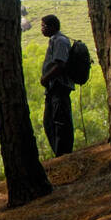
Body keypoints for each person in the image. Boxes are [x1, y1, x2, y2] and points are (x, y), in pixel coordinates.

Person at [40, 15, 74, 156]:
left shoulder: (60, 41)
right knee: (50, 122)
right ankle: (59, 153)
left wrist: (45, 78)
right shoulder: (55, 40)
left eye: (43, 26)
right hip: (53, 88)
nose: (41, 29)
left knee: (61, 122)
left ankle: (64, 154)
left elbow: (60, 64)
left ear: (52, 26)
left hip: (59, 87)